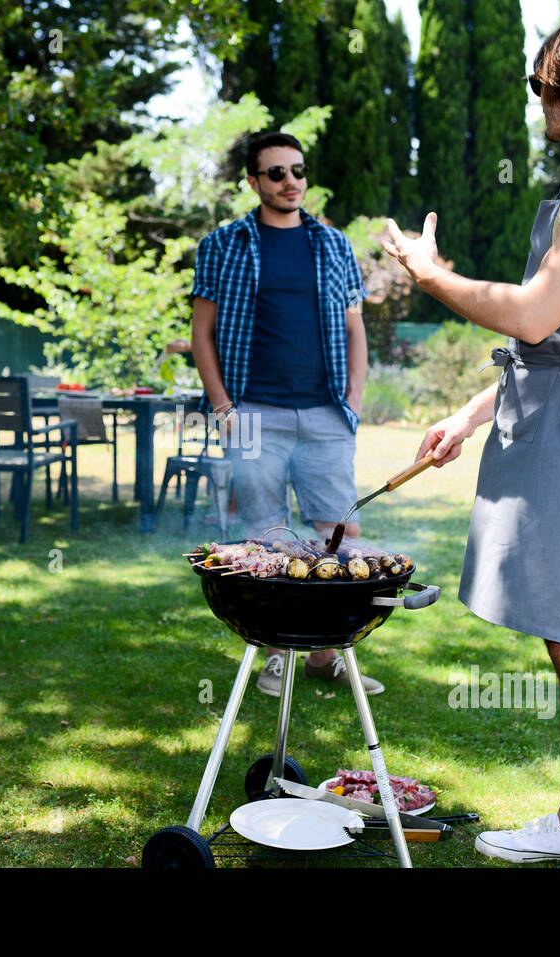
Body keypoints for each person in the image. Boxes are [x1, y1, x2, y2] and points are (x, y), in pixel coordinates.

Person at [381, 7, 560, 867]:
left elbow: (540, 312)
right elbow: (554, 338)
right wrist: (471, 417)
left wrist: (432, 276)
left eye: (539, 76)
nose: (535, 94)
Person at [190, 131, 383, 697]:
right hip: (253, 413)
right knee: (265, 538)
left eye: (297, 170)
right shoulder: (224, 243)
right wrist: (224, 408)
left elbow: (354, 329)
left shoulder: (333, 243)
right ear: (253, 182)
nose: (290, 181)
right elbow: (201, 333)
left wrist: (353, 401)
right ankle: (277, 655)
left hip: (325, 412)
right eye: (276, 173)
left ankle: (329, 653)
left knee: (339, 534)